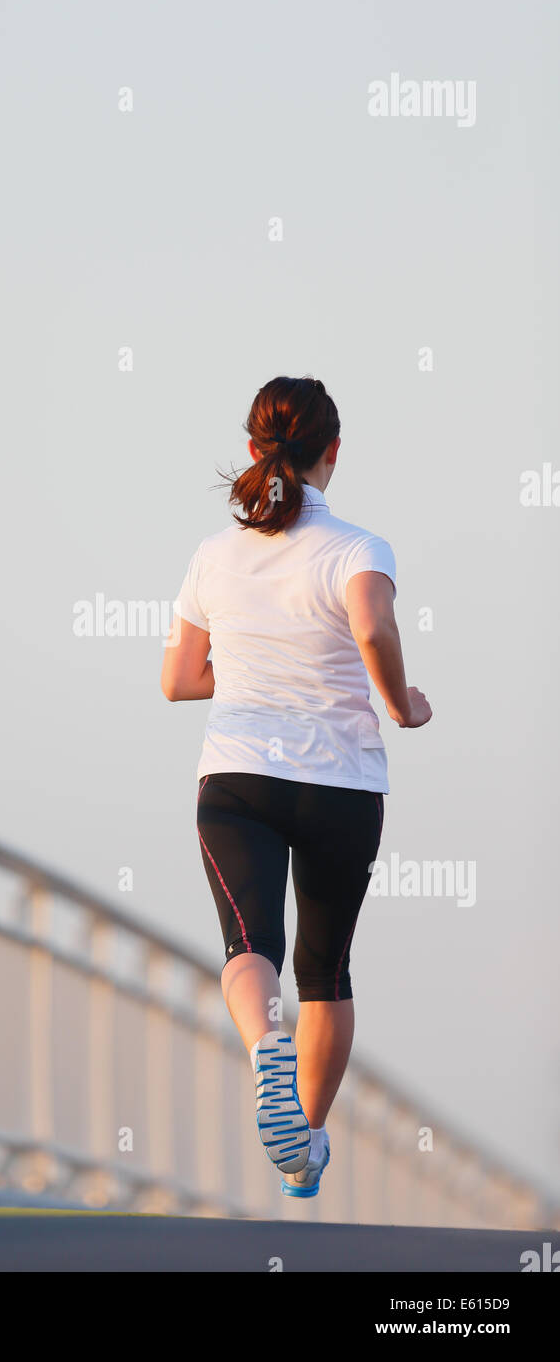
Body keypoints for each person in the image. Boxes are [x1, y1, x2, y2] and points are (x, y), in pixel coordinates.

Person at [161, 375, 431, 1199]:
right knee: (327, 973)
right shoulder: (359, 546)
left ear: (253, 450)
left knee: (251, 949)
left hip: (239, 778)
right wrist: (401, 703)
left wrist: (248, 666)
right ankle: (305, 1146)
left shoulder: (214, 554)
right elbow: (372, 625)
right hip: (341, 785)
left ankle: (261, 1048)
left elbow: (178, 679)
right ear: (333, 453)